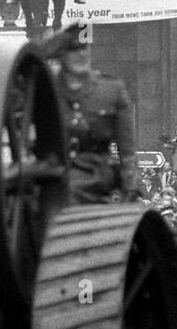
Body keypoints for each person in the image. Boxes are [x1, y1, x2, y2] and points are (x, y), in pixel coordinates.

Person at [44, 23, 138, 200]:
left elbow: (127, 152)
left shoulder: (112, 90)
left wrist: (130, 186)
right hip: (51, 171)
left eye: (84, 48)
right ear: (59, 55)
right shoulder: (46, 89)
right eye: (73, 49)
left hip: (95, 173)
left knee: (66, 193)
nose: (81, 54)